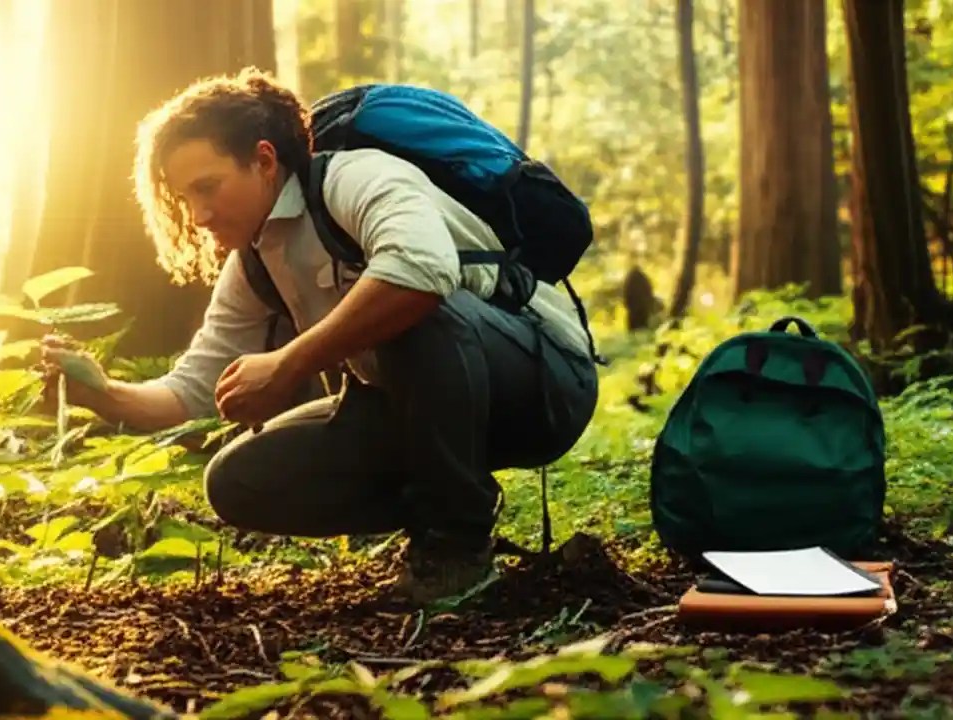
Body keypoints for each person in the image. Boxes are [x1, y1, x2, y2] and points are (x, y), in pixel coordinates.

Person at [39, 68, 599, 604]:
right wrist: (105, 394)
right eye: (186, 198)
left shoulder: (358, 177)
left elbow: (422, 274)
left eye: (208, 188)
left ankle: (456, 545)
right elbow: (193, 389)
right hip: (424, 401)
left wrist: (288, 363)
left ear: (263, 161)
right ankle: (447, 499)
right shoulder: (255, 262)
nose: (200, 214)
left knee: (414, 313)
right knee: (239, 481)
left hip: (545, 379)